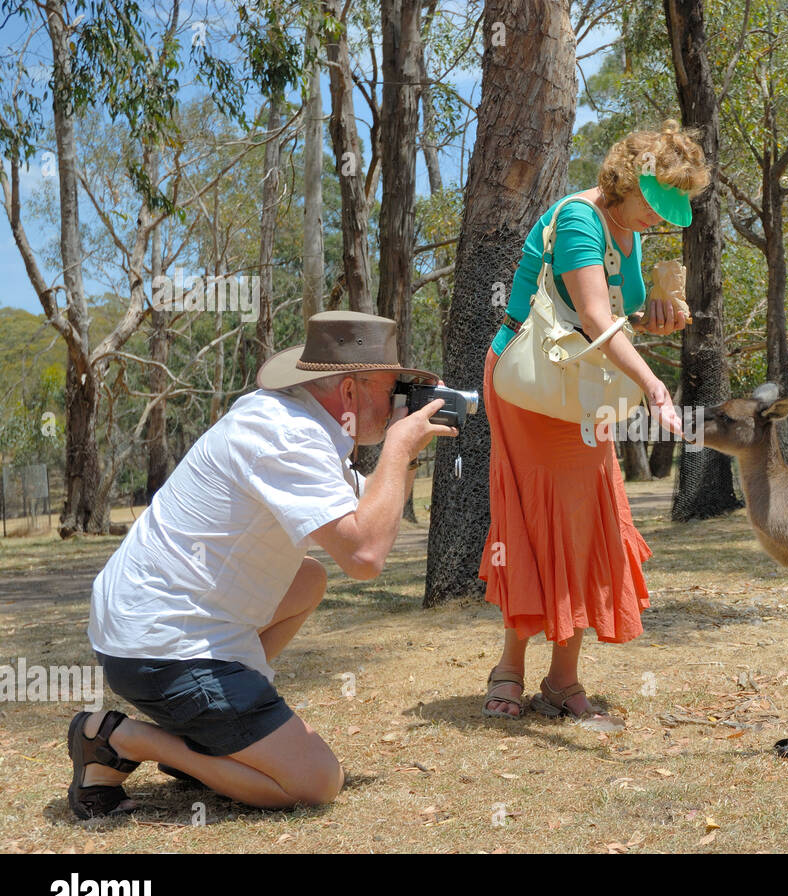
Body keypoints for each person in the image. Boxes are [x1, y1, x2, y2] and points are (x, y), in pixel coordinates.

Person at [66, 311, 457, 819]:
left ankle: (215, 739)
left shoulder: (300, 424)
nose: (398, 403)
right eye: (392, 388)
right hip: (163, 646)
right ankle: (130, 739)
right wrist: (399, 446)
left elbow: (370, 517)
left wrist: (406, 450)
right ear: (350, 391)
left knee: (308, 579)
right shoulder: (288, 435)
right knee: (314, 783)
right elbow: (364, 556)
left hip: (160, 625)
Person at [478, 120, 709, 725]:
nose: (660, 219)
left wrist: (655, 319)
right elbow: (591, 315)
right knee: (534, 520)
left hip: (581, 392)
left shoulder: (629, 232)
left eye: (671, 209)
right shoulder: (581, 220)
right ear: (626, 181)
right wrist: (654, 383)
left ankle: (563, 680)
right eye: (655, 204)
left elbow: (618, 320)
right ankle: (508, 670)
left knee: (586, 520)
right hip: (532, 386)